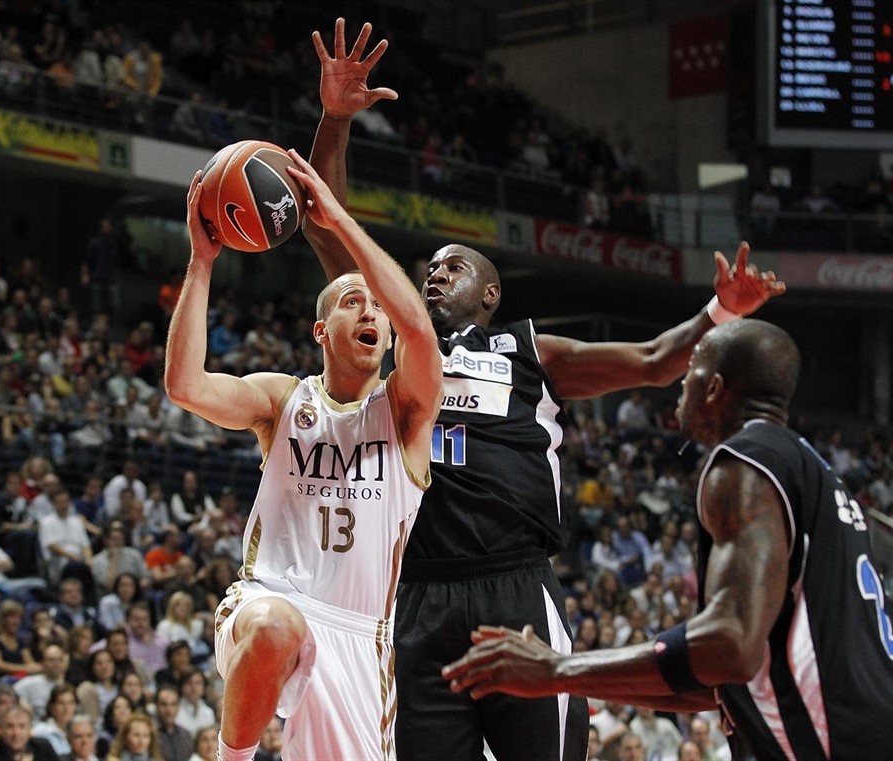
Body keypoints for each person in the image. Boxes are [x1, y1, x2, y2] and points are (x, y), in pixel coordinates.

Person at [302, 18, 786, 761]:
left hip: (514, 586)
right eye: (429, 266)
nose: (434, 273)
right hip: (416, 592)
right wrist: (335, 120)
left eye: (453, 266)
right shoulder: (398, 335)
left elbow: (658, 360)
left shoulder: (529, 348)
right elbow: (329, 227)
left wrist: (720, 311)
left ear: (491, 293)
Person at [444, 320, 893, 761]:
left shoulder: (745, 462)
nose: (678, 391)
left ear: (713, 388)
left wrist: (557, 668)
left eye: (688, 378)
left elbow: (728, 647)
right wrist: (564, 677)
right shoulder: (809, 472)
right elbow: (724, 685)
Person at [164, 140, 441, 759]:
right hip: (270, 597)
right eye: (351, 302)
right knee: (274, 625)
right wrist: (201, 262)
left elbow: (420, 328)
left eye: (377, 305)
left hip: (360, 638)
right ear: (322, 331)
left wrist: (338, 219)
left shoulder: (407, 413)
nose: (370, 310)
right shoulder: (283, 400)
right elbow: (185, 386)